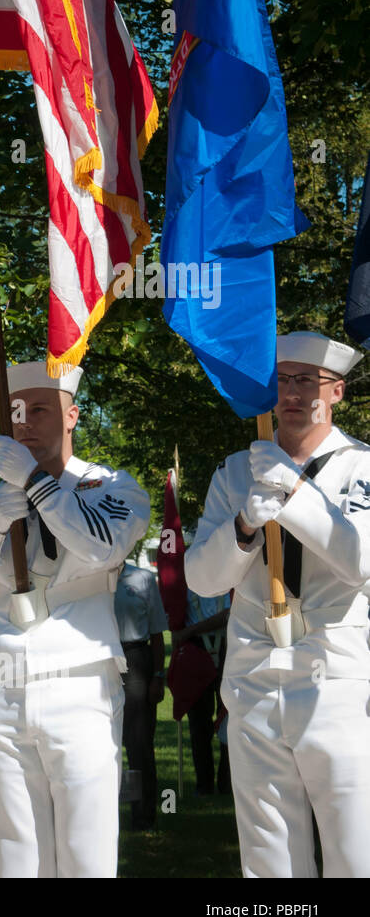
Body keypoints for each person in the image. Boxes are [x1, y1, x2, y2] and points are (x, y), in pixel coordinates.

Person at [0, 361, 149, 877]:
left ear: (72, 415)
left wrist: (37, 486)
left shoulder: (113, 486)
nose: (24, 422)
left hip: (79, 686)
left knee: (86, 854)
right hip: (2, 690)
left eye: (38, 409)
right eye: (13, 412)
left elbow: (101, 547)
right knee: (18, 854)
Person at [184, 331, 370, 877]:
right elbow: (201, 578)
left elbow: (358, 560)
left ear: (336, 391)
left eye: (307, 382)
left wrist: (292, 494)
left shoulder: (362, 466)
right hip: (254, 676)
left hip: (334, 677)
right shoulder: (235, 471)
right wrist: (243, 525)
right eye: (281, 381)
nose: (291, 394)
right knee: (268, 859)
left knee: (353, 847)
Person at [113, 556, 168, 830]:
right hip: (102, 661)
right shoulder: (89, 579)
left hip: (136, 659)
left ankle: (143, 815)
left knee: (138, 742)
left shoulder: (144, 579)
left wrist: (158, 676)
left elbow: (157, 633)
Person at [178, 587, 232, 796]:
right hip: (196, 648)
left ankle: (227, 782)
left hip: (226, 644)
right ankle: (204, 784)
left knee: (228, 717)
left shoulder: (229, 576)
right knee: (199, 722)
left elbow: (228, 614)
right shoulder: (186, 577)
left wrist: (189, 631)